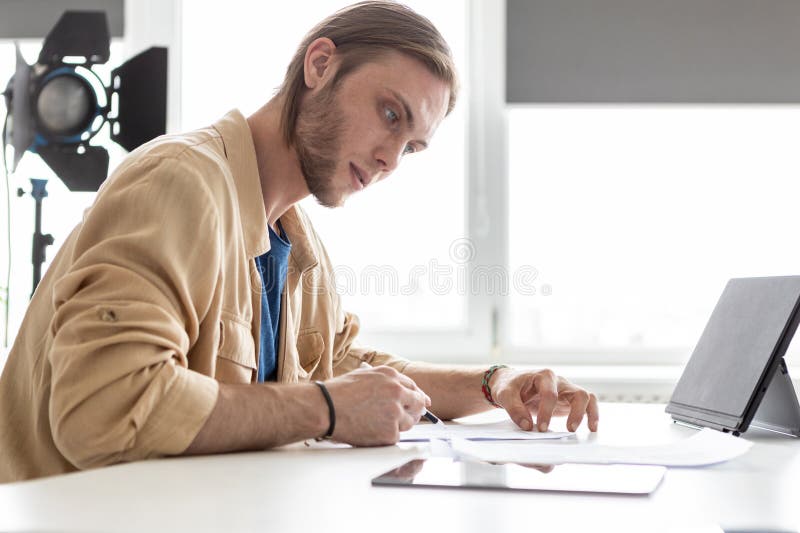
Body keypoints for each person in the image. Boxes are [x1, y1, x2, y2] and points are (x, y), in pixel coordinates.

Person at [0, 1, 598, 483]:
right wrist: (328, 409)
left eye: (412, 146)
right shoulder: (182, 183)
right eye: (391, 115)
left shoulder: (293, 235)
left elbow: (346, 367)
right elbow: (102, 409)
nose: (392, 158)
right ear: (320, 66)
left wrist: (495, 384)